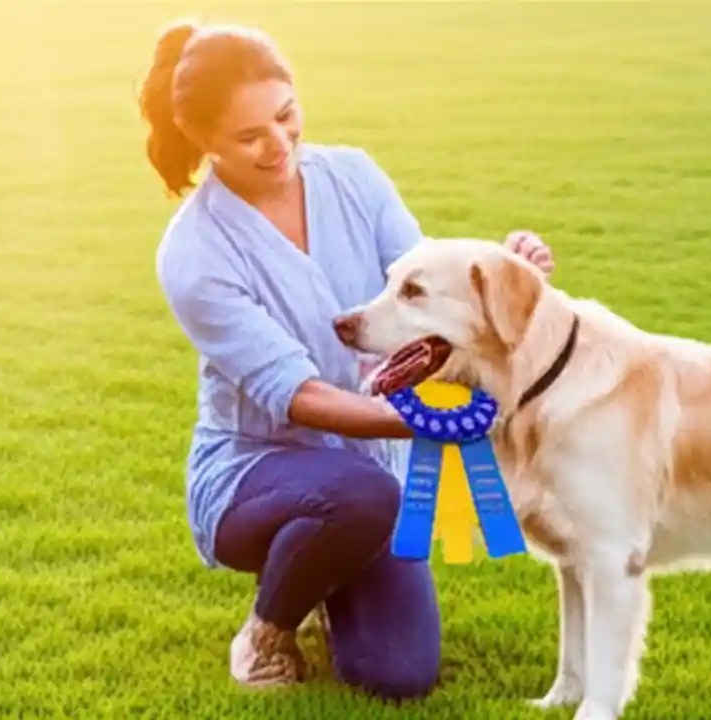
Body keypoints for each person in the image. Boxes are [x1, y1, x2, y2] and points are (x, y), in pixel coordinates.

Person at [138, 19, 555, 700]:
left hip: (367, 474)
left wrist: (510, 273)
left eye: (286, 115)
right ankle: (267, 631)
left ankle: (325, 570)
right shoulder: (193, 255)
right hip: (256, 476)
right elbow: (297, 396)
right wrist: (421, 424)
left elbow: (431, 300)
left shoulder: (354, 177)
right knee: (359, 495)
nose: (280, 145)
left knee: (398, 674)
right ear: (204, 140)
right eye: (250, 137)